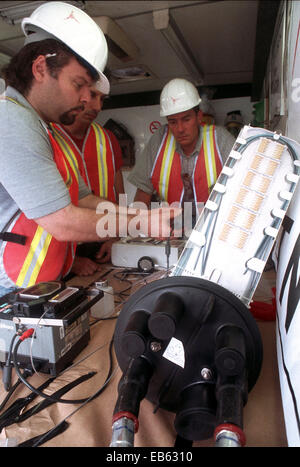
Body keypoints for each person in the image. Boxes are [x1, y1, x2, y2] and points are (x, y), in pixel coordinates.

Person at [0, 2, 178, 298]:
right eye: (79, 84)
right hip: (11, 292)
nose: (86, 99)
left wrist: (136, 215)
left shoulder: (50, 129)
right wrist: (142, 222)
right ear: (40, 68)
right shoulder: (10, 120)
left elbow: (84, 198)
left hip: (43, 285)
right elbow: (62, 222)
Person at [128, 78, 235, 231]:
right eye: (172, 122)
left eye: (186, 119)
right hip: (173, 230)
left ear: (199, 116)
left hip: (213, 228)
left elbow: (242, 190)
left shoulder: (220, 139)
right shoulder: (159, 141)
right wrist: (135, 232)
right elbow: (142, 194)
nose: (180, 129)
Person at [50, 79, 125, 276]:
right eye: (92, 96)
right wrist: (71, 262)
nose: (98, 107)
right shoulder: (48, 138)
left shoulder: (107, 138)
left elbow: (119, 192)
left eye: (102, 99)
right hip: (63, 252)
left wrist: (115, 237)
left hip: (104, 243)